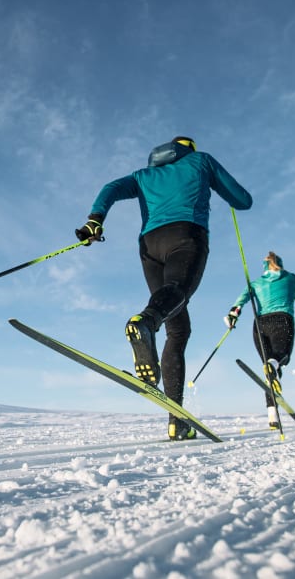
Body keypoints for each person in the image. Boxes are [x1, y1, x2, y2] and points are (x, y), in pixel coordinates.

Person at [75, 135, 252, 440]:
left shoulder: (143, 175)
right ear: (189, 149)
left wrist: (95, 220)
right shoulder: (200, 161)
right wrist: (227, 194)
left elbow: (110, 188)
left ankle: (176, 420)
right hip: (186, 234)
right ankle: (145, 322)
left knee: (178, 328)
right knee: (175, 294)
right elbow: (243, 200)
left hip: (149, 247)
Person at [225, 251, 295, 430]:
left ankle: (272, 416)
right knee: (281, 358)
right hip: (282, 320)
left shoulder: (256, 283)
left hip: (260, 325)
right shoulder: (291, 278)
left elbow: (240, 301)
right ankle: (273, 365)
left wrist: (233, 315)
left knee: (270, 370)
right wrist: (294, 293)